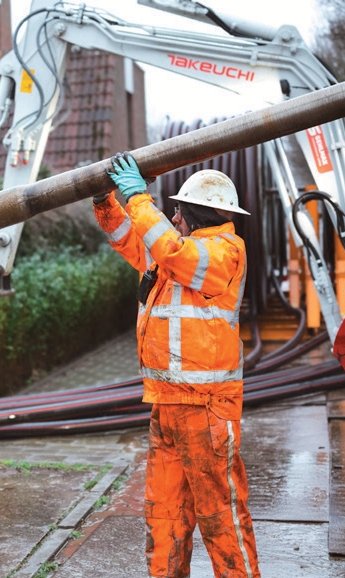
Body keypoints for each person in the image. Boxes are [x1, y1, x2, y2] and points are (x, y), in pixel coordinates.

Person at [93, 153, 260, 577]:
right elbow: (131, 239)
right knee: (164, 514)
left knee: (220, 515)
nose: (173, 217)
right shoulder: (170, 255)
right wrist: (105, 200)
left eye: (179, 211)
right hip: (166, 404)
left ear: (196, 215)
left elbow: (172, 249)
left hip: (206, 407)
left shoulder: (224, 251)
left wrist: (138, 197)